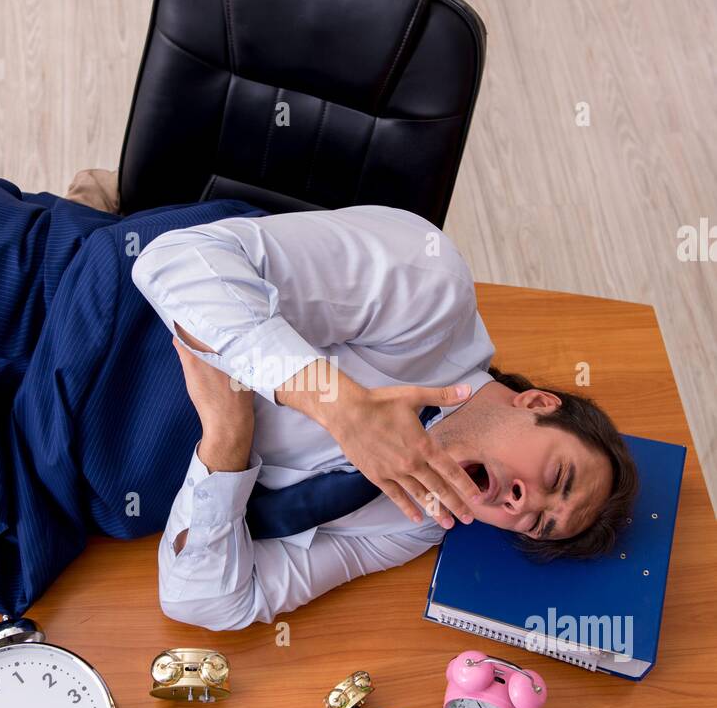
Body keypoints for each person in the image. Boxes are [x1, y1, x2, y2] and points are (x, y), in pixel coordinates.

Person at [126, 186, 638, 631]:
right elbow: (174, 260)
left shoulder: (413, 526)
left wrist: (226, 436)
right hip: (95, 334)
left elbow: (204, 601)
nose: (522, 504)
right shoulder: (431, 293)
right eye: (557, 477)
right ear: (539, 403)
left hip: (85, 488)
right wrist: (342, 408)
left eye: (536, 523)